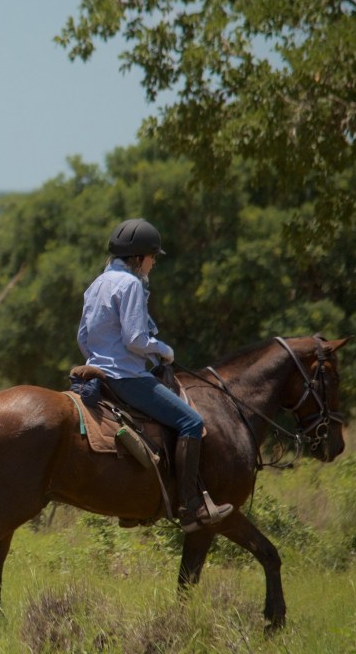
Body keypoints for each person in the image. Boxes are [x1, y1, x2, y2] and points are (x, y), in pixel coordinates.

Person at [76, 218, 232, 532]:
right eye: (152, 258)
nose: (153, 264)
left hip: (95, 375)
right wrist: (163, 350)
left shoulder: (96, 284)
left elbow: (83, 337)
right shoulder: (131, 284)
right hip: (126, 377)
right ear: (138, 258)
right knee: (191, 421)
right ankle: (190, 504)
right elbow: (135, 339)